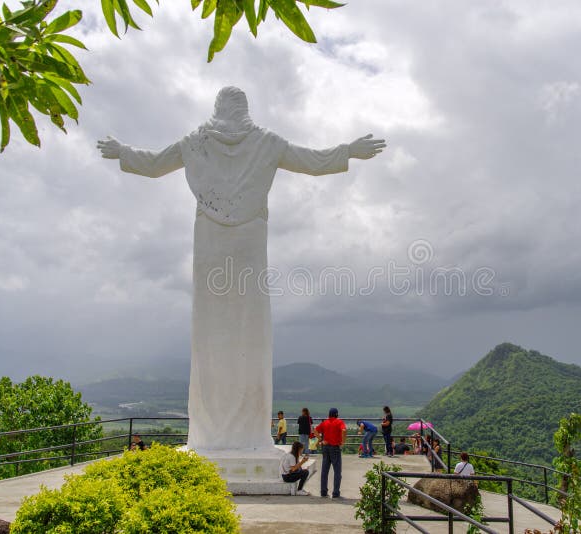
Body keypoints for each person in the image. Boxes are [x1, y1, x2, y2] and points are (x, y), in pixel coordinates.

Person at [97, 87, 385, 453]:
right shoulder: (265, 142)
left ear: (216, 107)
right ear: (245, 109)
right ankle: (247, 432)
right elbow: (313, 161)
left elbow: (154, 165)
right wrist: (349, 151)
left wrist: (122, 152)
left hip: (209, 243)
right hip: (249, 242)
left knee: (209, 329)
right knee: (251, 327)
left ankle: (210, 434)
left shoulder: (195, 142)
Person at [315, 407, 347, 499]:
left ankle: (323, 492)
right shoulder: (339, 422)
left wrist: (320, 439)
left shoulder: (325, 422)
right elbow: (344, 430)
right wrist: (342, 442)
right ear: (337, 414)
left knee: (324, 470)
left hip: (325, 447)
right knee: (337, 471)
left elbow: (315, 430)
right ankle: (336, 493)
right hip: (335, 448)